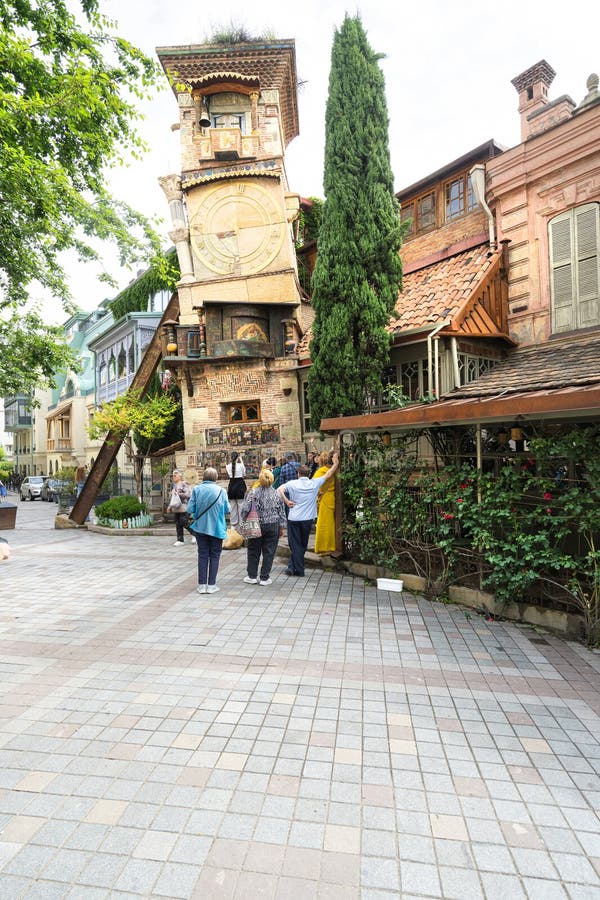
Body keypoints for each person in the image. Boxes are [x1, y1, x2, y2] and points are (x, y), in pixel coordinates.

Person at [278, 453, 339, 577]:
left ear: (298, 474)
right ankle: (293, 568)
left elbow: (279, 490)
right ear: (308, 474)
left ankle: (297, 569)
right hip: (307, 519)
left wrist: (287, 501)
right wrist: (336, 464)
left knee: (294, 544)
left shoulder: (293, 484)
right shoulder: (314, 483)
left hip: (294, 518)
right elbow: (328, 474)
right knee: (302, 544)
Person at [240, 468, 286, 585]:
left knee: (253, 550)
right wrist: (282, 527)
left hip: (256, 524)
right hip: (273, 525)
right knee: (269, 551)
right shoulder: (276, 493)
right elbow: (281, 511)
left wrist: (245, 521)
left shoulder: (254, 492)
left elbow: (245, 509)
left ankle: (252, 576)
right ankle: (264, 577)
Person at [188, 467, 230, 594]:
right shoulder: (221, 491)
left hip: (200, 527)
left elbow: (190, 508)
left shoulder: (196, 489)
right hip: (217, 528)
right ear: (215, 478)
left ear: (204, 477)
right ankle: (211, 585)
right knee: (215, 556)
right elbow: (227, 509)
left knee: (202, 555)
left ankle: (201, 585)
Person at [313, 450, 337, 554]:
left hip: (324, 499)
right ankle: (332, 545)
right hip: (333, 497)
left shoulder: (321, 471)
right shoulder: (334, 470)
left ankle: (324, 547)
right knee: (331, 524)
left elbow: (313, 485)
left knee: (323, 524)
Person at [167, 469, 191, 546]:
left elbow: (188, 495)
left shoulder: (184, 484)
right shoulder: (174, 486)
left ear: (180, 476)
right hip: (176, 508)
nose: (173, 477)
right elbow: (173, 498)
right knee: (178, 523)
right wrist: (169, 506)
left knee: (184, 522)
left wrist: (178, 494)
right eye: (173, 475)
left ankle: (196, 534)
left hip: (184, 507)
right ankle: (180, 540)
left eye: (175, 475)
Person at [226, 451, 246, 527]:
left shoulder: (227, 466)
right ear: (237, 457)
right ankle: (242, 524)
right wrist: (241, 461)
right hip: (240, 486)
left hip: (231, 486)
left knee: (232, 506)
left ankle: (233, 524)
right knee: (241, 506)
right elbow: (244, 474)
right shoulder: (241, 465)